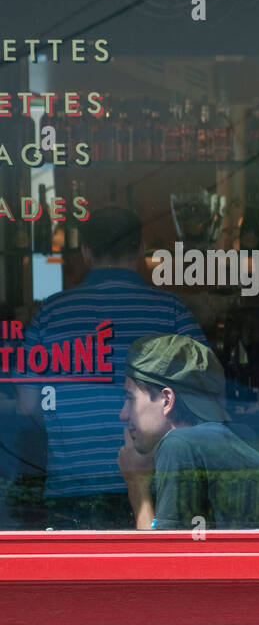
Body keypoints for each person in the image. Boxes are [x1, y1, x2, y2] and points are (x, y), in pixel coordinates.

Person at [19, 207, 208, 528]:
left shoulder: (50, 314)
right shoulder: (171, 311)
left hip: (72, 487)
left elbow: (27, 404)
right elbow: (204, 397)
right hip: (153, 485)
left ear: (86, 252)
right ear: (139, 250)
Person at [116, 334, 259, 530]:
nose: (123, 414)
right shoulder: (236, 435)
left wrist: (137, 485)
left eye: (131, 399)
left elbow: (164, 559)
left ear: (167, 400)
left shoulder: (180, 443)